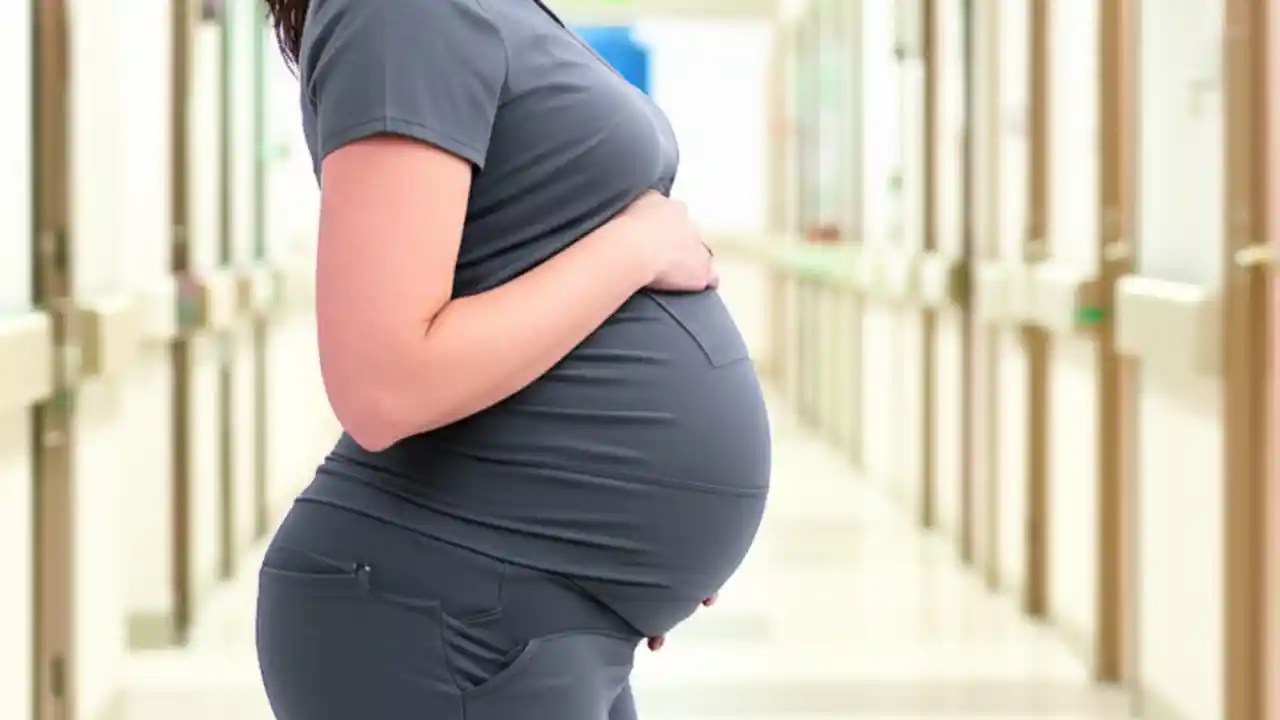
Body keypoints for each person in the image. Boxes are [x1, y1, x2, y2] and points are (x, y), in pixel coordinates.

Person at [253, 0, 772, 718]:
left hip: (524, 607)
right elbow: (382, 381)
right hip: (448, 615)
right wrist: (636, 247)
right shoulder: (403, 12)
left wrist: (637, 547)